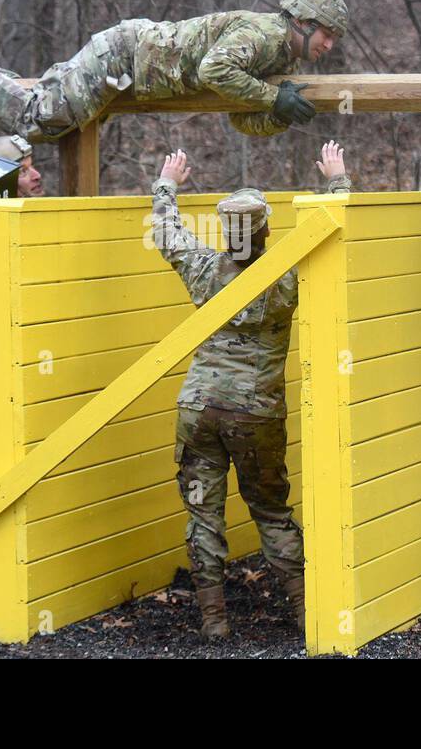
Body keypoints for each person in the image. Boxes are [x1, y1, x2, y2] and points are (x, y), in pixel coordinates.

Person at [151, 140, 351, 638]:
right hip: (255, 414)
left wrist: (167, 184)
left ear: (226, 231)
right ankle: (307, 613)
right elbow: (339, 233)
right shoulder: (286, 277)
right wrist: (337, 180)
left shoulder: (202, 269)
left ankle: (214, 619)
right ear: (265, 230)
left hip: (198, 409)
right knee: (270, 510)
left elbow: (166, 232)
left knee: (203, 512)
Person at [0, 0, 347, 143]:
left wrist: (279, 115)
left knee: (49, 117)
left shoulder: (281, 54)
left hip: (131, 70)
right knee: (38, 121)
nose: (329, 44)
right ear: (303, 22)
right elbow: (215, 71)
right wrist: (273, 98)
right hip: (124, 56)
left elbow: (239, 119)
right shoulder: (263, 34)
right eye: (326, 33)